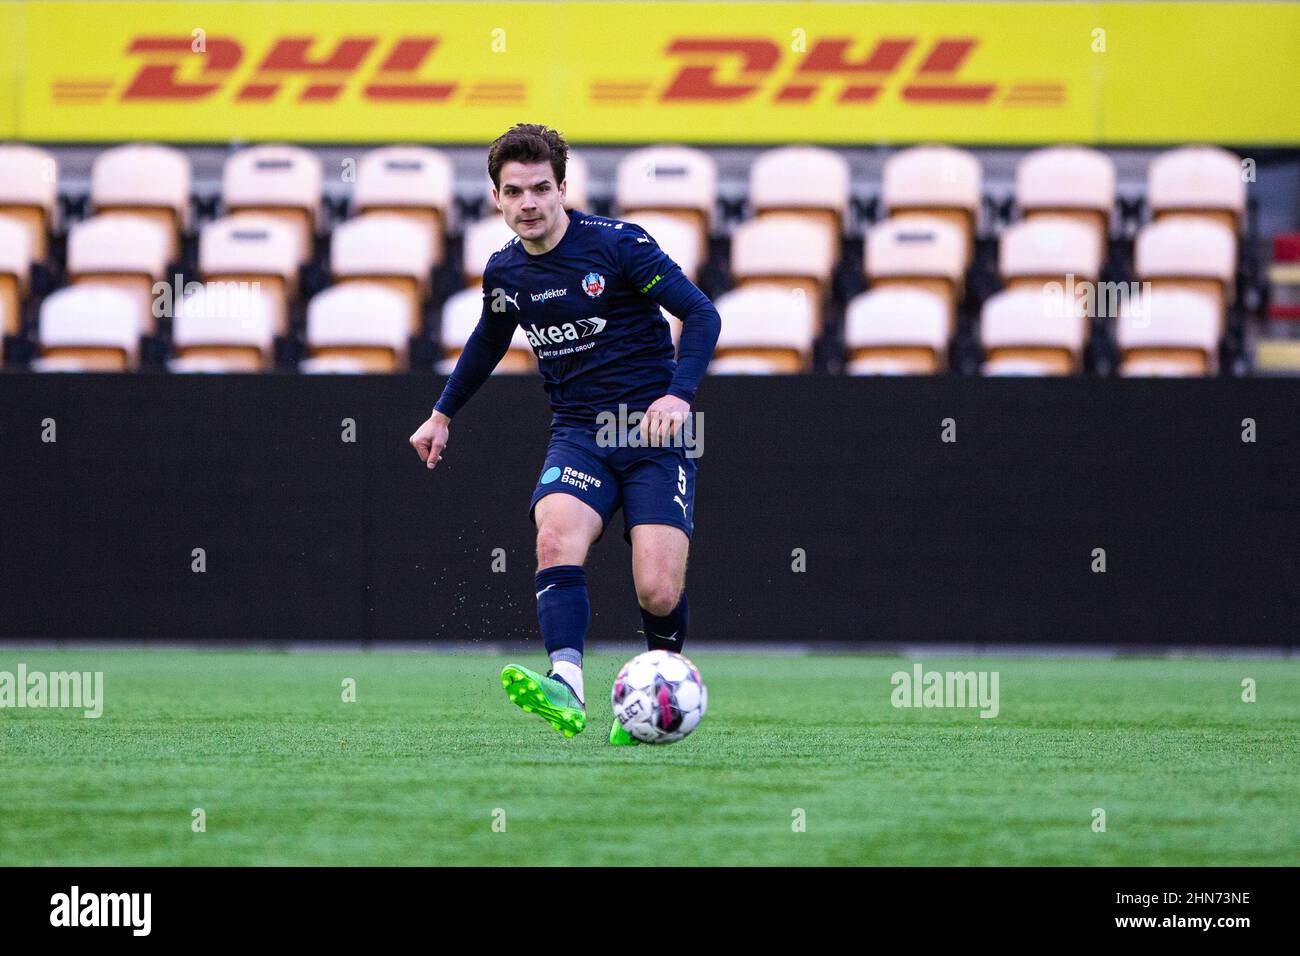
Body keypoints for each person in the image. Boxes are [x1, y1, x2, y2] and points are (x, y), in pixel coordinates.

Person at [409, 124, 721, 744]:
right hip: (580, 432)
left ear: (563, 190)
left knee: (658, 591)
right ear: (496, 198)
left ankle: (659, 689)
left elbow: (701, 313)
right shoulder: (504, 273)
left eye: (540, 189)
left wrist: (678, 396)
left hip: (653, 432)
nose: (528, 203)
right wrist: (442, 413)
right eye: (514, 192)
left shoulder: (619, 245)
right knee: (555, 535)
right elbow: (489, 340)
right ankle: (567, 686)